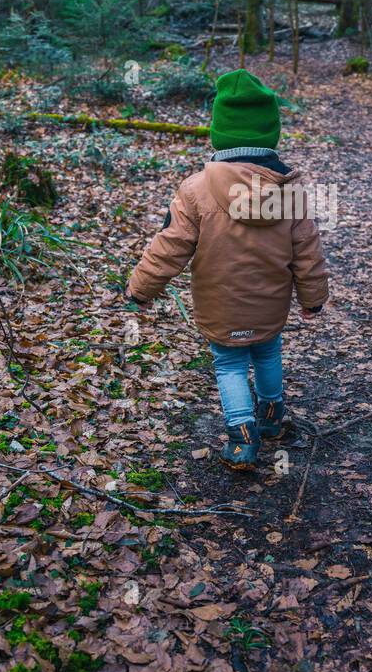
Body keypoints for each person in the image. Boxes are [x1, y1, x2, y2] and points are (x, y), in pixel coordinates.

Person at [127, 69, 329, 469]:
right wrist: (314, 299)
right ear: (270, 133)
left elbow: (170, 246)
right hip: (270, 304)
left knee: (230, 364)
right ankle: (271, 418)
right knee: (268, 353)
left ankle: (241, 440)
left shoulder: (195, 189)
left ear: (219, 132)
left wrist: (140, 290)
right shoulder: (289, 190)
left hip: (219, 305)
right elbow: (307, 250)